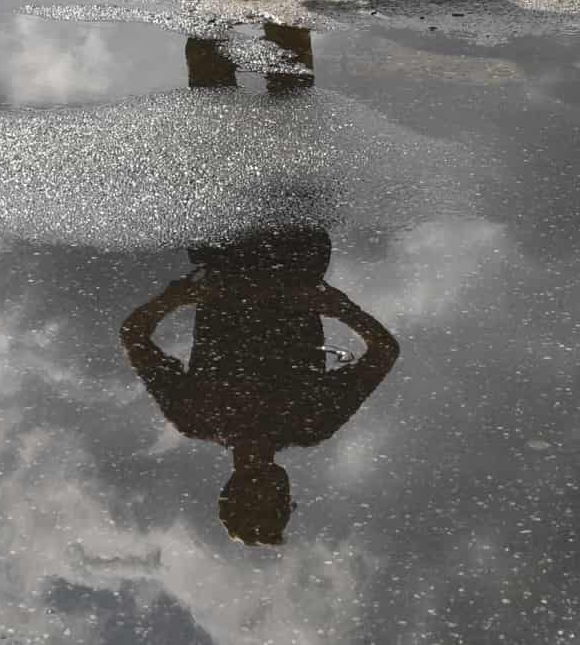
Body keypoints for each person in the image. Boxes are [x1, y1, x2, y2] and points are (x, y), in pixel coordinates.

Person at [120, 228, 400, 546]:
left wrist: (172, 299)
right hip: (272, 257)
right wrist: (340, 309)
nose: (285, 495)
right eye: (284, 504)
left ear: (237, 492)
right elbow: (133, 335)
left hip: (264, 257)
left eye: (279, 502)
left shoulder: (203, 418)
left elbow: (385, 352)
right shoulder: (308, 423)